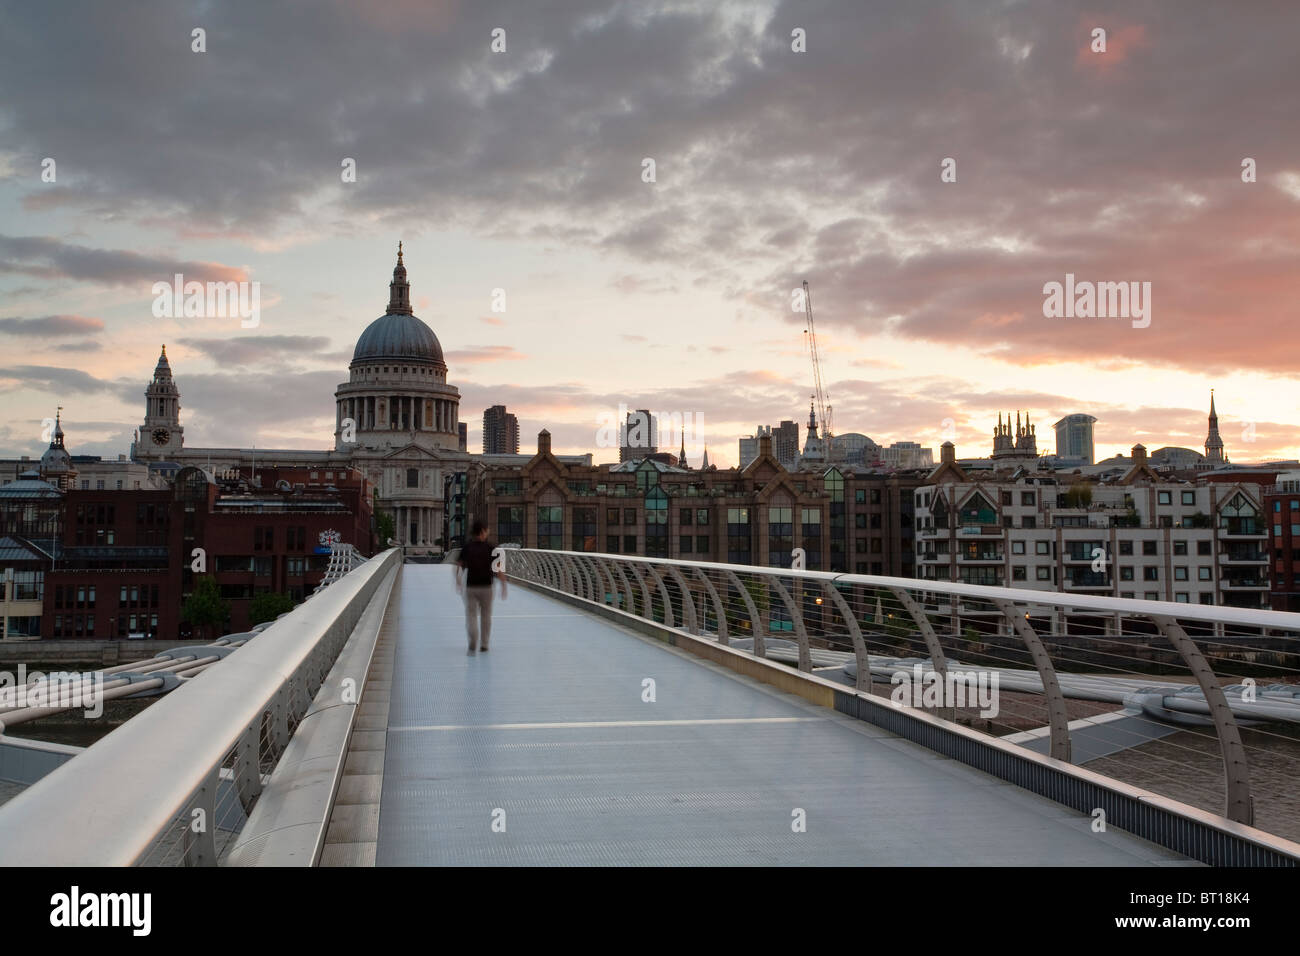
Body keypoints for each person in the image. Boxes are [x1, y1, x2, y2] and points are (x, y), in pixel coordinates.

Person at [455, 520, 507, 654]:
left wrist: (458, 581)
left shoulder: (467, 547)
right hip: (487, 587)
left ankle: (473, 639)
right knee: (486, 616)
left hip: (471, 586)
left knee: (471, 615)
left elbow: (459, 565)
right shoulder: (491, 547)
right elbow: (498, 569)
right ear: (483, 531)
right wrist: (503, 585)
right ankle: (484, 644)